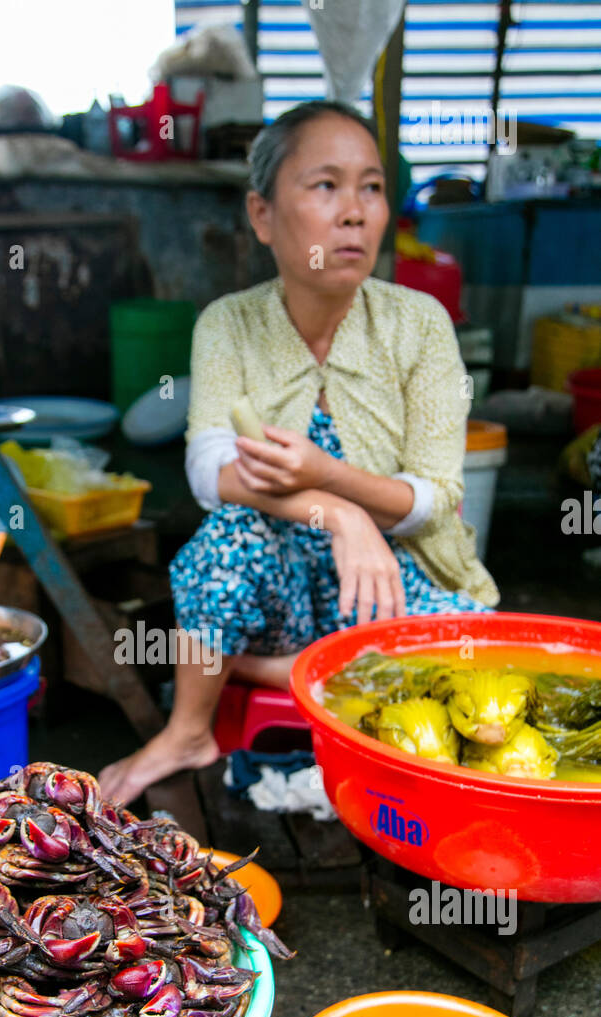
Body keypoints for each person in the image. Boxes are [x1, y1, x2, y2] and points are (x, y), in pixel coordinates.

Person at [100, 100, 499, 805]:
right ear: (262, 216)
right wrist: (336, 513)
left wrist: (332, 476)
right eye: (326, 186)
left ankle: (259, 669)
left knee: (469, 658)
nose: (355, 212)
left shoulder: (419, 326)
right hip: (280, 582)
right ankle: (190, 727)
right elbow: (208, 471)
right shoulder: (228, 325)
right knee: (222, 544)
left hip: (387, 586)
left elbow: (435, 495)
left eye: (371, 188)